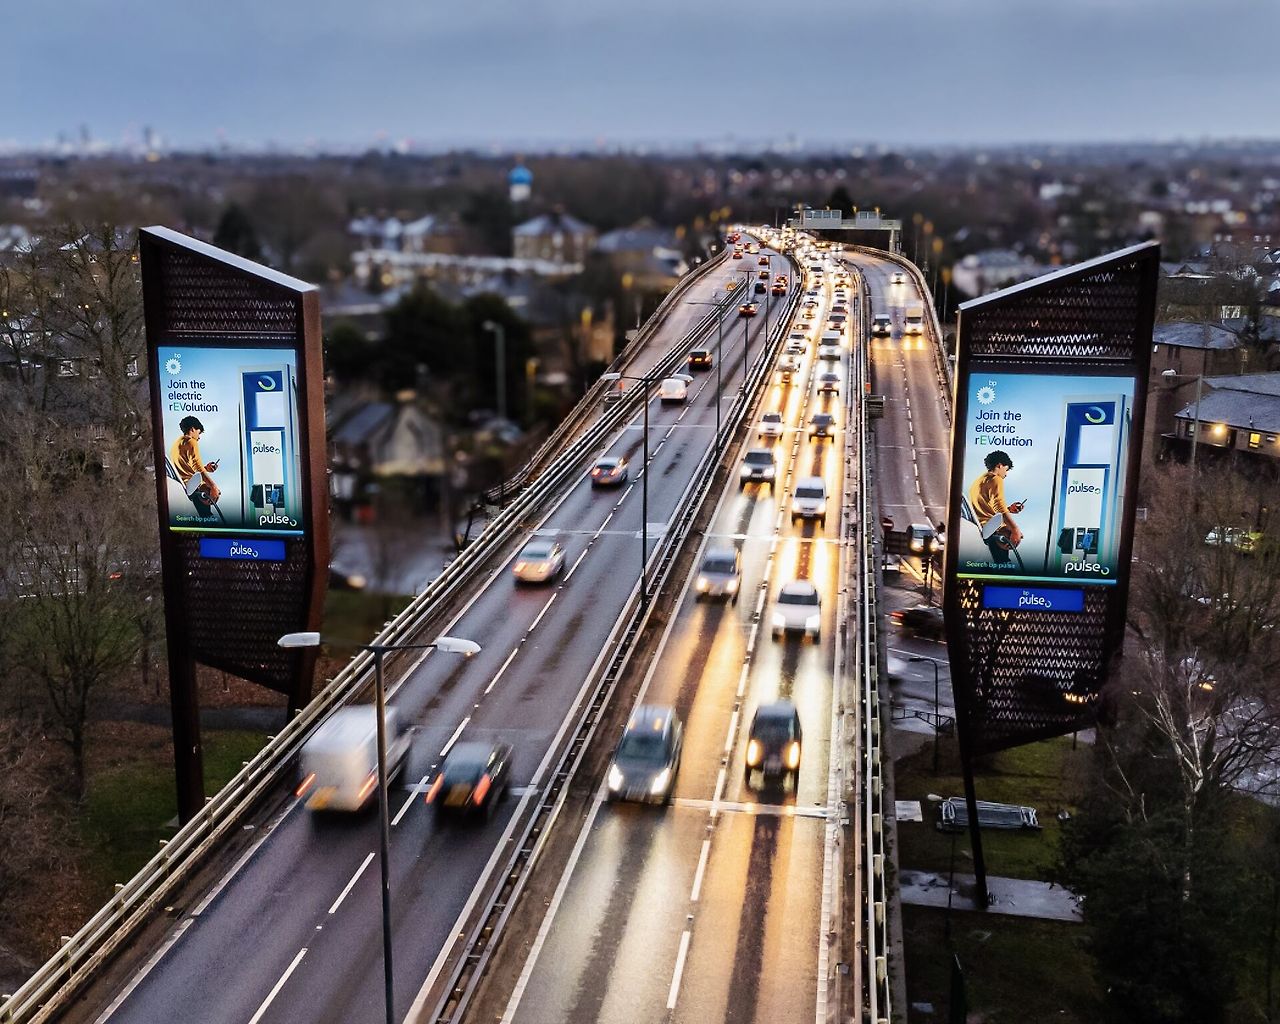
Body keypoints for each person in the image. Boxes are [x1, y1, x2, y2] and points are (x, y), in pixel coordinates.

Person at [968, 450, 1024, 563]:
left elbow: (983, 510)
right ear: (999, 465)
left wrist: (1009, 509)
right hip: (995, 532)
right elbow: (998, 505)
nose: (1006, 474)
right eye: (1006, 469)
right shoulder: (995, 479)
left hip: (985, 532)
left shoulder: (978, 481)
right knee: (1004, 572)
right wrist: (1014, 529)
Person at [171, 415, 220, 517]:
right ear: (192, 429)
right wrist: (213, 486)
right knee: (209, 522)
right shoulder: (191, 442)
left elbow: (185, 468)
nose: (199, 437)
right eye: (199, 432)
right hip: (195, 489)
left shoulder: (177, 443)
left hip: (186, 487)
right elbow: (197, 467)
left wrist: (206, 468)